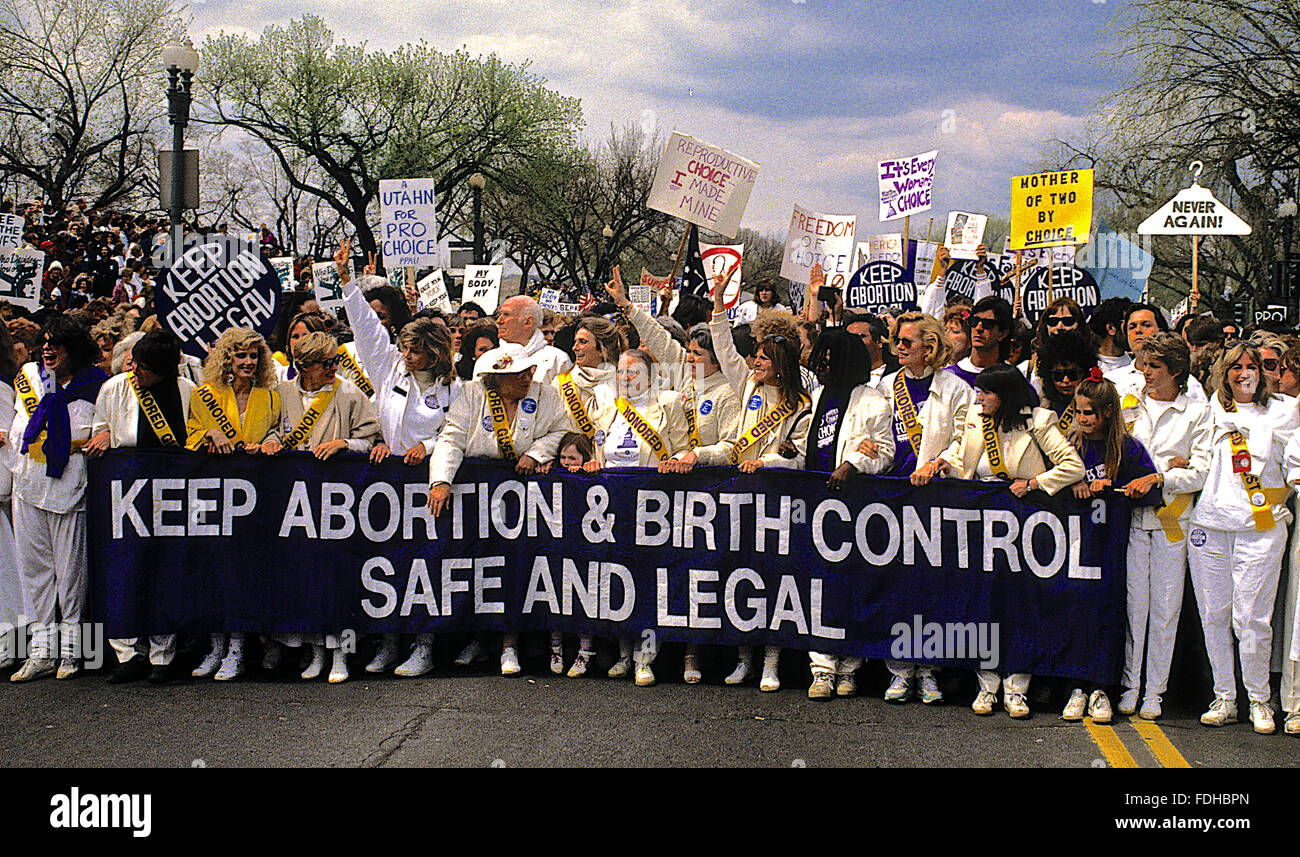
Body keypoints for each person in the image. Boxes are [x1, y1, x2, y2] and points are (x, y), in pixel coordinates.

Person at [668, 266, 811, 692]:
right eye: (756, 356)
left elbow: (799, 457)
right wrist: (697, 454)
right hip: (739, 497)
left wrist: (767, 462)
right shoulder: (748, 386)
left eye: (764, 357)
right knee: (740, 577)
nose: (755, 362)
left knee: (774, 581)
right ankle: (744, 658)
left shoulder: (802, 403)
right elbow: (727, 352)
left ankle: (771, 661)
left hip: (776, 501)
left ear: (780, 361)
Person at [928, 363, 1085, 717]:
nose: (978, 397)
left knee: (1019, 608)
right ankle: (987, 687)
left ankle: (1017, 689)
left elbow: (1072, 466)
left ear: (1005, 394)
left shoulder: (1039, 421)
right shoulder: (975, 416)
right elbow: (963, 460)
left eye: (985, 391)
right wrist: (942, 465)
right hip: (979, 525)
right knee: (983, 607)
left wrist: (1032, 484)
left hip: (1023, 530)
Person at [338, 240, 463, 678]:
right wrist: (347, 283)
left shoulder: (455, 387)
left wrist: (425, 449)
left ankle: (424, 646)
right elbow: (369, 332)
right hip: (389, 481)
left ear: (435, 353)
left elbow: (454, 432)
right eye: (404, 349)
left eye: (415, 352)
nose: (406, 357)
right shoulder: (389, 368)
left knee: (426, 564)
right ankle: (388, 642)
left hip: (429, 484)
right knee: (386, 562)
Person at [428, 343, 570, 676]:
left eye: (528, 370)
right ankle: (478, 640)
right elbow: (451, 438)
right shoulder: (472, 394)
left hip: (523, 500)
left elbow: (562, 431)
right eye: (518, 374)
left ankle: (510, 645)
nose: (527, 377)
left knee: (518, 569)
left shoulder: (545, 395)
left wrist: (536, 453)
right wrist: (441, 480)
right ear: (495, 378)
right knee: (478, 569)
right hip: (477, 497)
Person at [263, 331, 383, 684]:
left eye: (335, 361)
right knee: (306, 577)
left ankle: (341, 653)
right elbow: (272, 430)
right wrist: (271, 443)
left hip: (338, 498)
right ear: (304, 366)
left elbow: (372, 438)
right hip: (297, 500)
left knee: (339, 577)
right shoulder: (282, 393)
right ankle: (316, 650)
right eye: (326, 363)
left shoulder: (347, 392)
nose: (334, 368)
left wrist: (344, 443)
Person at [1191, 341, 1298, 734]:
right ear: (1224, 372)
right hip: (1211, 526)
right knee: (1214, 615)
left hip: (1263, 529)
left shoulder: (1285, 411)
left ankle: (1259, 699)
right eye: (1236, 367)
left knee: (1252, 618)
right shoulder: (1209, 409)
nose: (1244, 373)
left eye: (1252, 365)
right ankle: (1225, 696)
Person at [83, 331, 194, 682]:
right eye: (135, 364)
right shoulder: (116, 388)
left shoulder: (187, 391)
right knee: (125, 569)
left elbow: (196, 432)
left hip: (171, 495)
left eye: (145, 368)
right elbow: (101, 426)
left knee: (165, 569)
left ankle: (163, 654)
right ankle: (128, 652)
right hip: (124, 497)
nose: (137, 372)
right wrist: (101, 434)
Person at [876, 311, 974, 701]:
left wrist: (940, 462)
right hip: (893, 496)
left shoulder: (955, 387)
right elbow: (871, 431)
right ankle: (899, 671)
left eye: (907, 341)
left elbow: (967, 437)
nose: (899, 346)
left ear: (929, 347)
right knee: (898, 587)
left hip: (935, 498)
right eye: (897, 340)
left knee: (934, 587)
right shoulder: (884, 386)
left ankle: (929, 669)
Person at [1115, 333, 1211, 720]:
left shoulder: (1196, 412)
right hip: (1132, 519)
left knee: (1166, 610)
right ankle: (1129, 684)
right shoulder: (1129, 403)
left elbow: (1200, 471)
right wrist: (1169, 467)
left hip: (1172, 522)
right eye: (1143, 364)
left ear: (1176, 370)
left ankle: (1155, 691)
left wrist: (1162, 479)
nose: (1146, 372)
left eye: (1154, 366)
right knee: (1134, 608)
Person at [586, 348, 690, 687]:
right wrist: (591, 464)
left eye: (633, 372)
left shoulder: (670, 404)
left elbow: (681, 449)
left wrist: (673, 463)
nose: (625, 378)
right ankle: (623, 651)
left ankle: (646, 656)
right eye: (620, 372)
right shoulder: (608, 411)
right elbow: (597, 452)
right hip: (613, 508)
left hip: (654, 506)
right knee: (617, 578)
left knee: (648, 582)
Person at [184, 328, 283, 681]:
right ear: (227, 358)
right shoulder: (204, 394)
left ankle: (238, 647)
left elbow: (278, 430)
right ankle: (215, 646)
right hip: (211, 495)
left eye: (253, 356)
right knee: (212, 570)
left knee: (242, 570)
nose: (247, 362)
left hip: (252, 496)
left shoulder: (270, 396)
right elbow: (190, 433)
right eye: (240, 355)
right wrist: (209, 433)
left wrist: (271, 441)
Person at [1061, 371, 1158, 723]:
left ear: (1105, 413)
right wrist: (1071, 484)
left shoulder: (1127, 447)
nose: (1083, 419)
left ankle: (1102, 688)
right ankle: (1076, 687)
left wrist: (1123, 485)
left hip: (1113, 545)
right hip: (1075, 546)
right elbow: (1046, 480)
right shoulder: (1069, 445)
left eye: (1089, 413)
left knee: (1109, 614)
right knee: (1077, 613)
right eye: (1079, 411)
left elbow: (1152, 488)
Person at [802, 328, 893, 700]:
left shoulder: (874, 402)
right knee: (819, 588)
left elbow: (883, 453)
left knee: (853, 586)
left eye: (827, 359)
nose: (821, 365)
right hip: (816, 506)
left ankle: (850, 668)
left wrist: (852, 463)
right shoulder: (819, 395)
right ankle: (822, 669)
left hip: (857, 509)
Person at [552, 316, 622, 443]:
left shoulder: (622, 384)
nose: (575, 347)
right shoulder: (561, 384)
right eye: (575, 341)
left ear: (602, 349)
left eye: (583, 342)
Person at [495, 296, 572, 385]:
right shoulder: (491, 357)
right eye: (545, 333)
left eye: (552, 333)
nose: (551, 338)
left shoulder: (559, 359)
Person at [1034, 330, 1099, 433]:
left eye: (1072, 374)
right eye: (1058, 375)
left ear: (1083, 373)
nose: (1065, 380)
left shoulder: (1096, 400)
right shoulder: (1040, 403)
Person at [947, 296, 1012, 387]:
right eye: (974, 321)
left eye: (988, 324)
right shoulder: (948, 376)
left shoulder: (1013, 380)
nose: (978, 328)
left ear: (1002, 333)